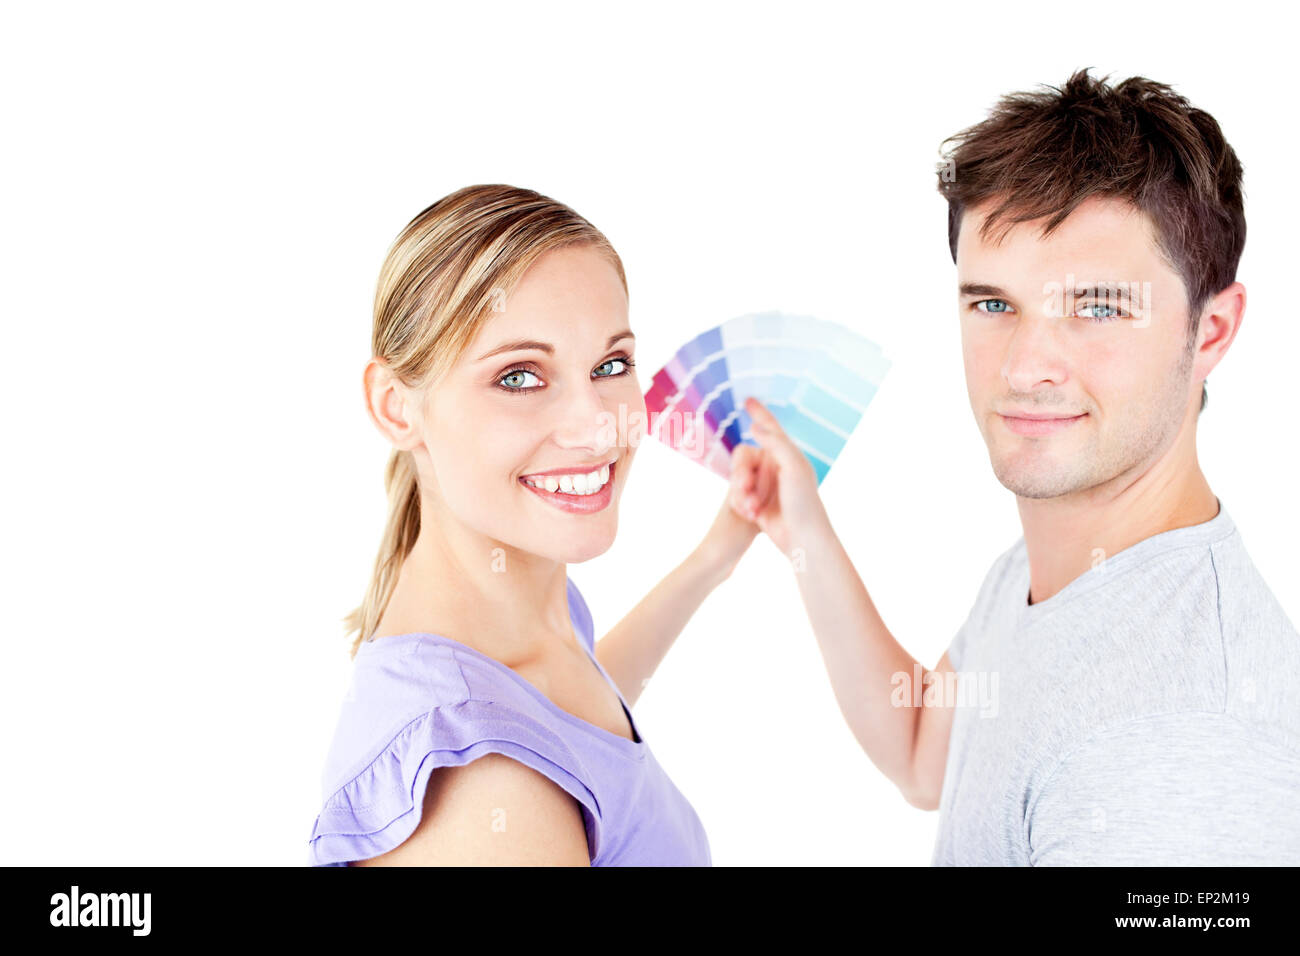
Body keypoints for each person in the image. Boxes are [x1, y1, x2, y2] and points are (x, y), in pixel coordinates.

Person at [728, 69, 1300, 864]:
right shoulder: (1054, 569)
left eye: (1096, 306)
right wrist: (802, 530)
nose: (1026, 367)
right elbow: (928, 747)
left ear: (1209, 332)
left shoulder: (1180, 739)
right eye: (995, 303)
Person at [308, 184, 758, 866]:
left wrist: (715, 556)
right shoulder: (489, 799)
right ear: (397, 407)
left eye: (610, 365)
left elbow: (575, 700)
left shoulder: (518, 617)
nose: (598, 425)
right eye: (520, 376)